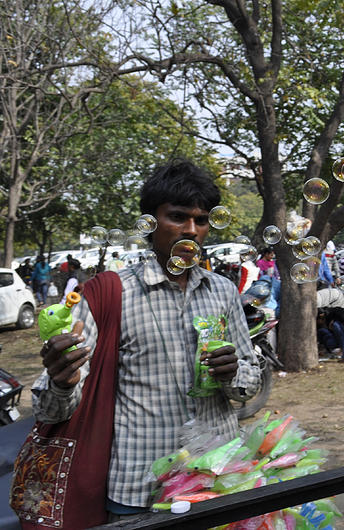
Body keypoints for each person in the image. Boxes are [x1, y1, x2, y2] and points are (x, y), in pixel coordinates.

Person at [30, 159, 261, 517]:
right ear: (150, 223)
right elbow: (51, 408)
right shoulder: (111, 294)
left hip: (219, 477)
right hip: (140, 491)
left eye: (202, 220)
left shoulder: (223, 291)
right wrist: (63, 381)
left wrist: (234, 374)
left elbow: (249, 383)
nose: (191, 230)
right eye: (178, 217)